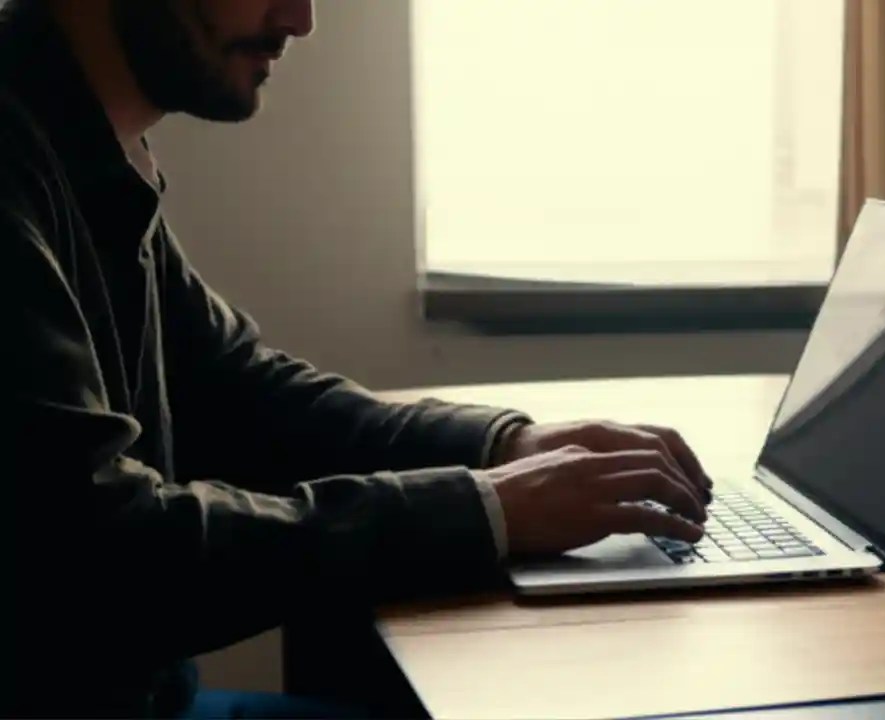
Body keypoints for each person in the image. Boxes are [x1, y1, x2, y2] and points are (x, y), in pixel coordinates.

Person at [0, 0, 713, 716]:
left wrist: (502, 445)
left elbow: (237, 390)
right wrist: (486, 509)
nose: (300, 18)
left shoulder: (81, 140)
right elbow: (104, 555)